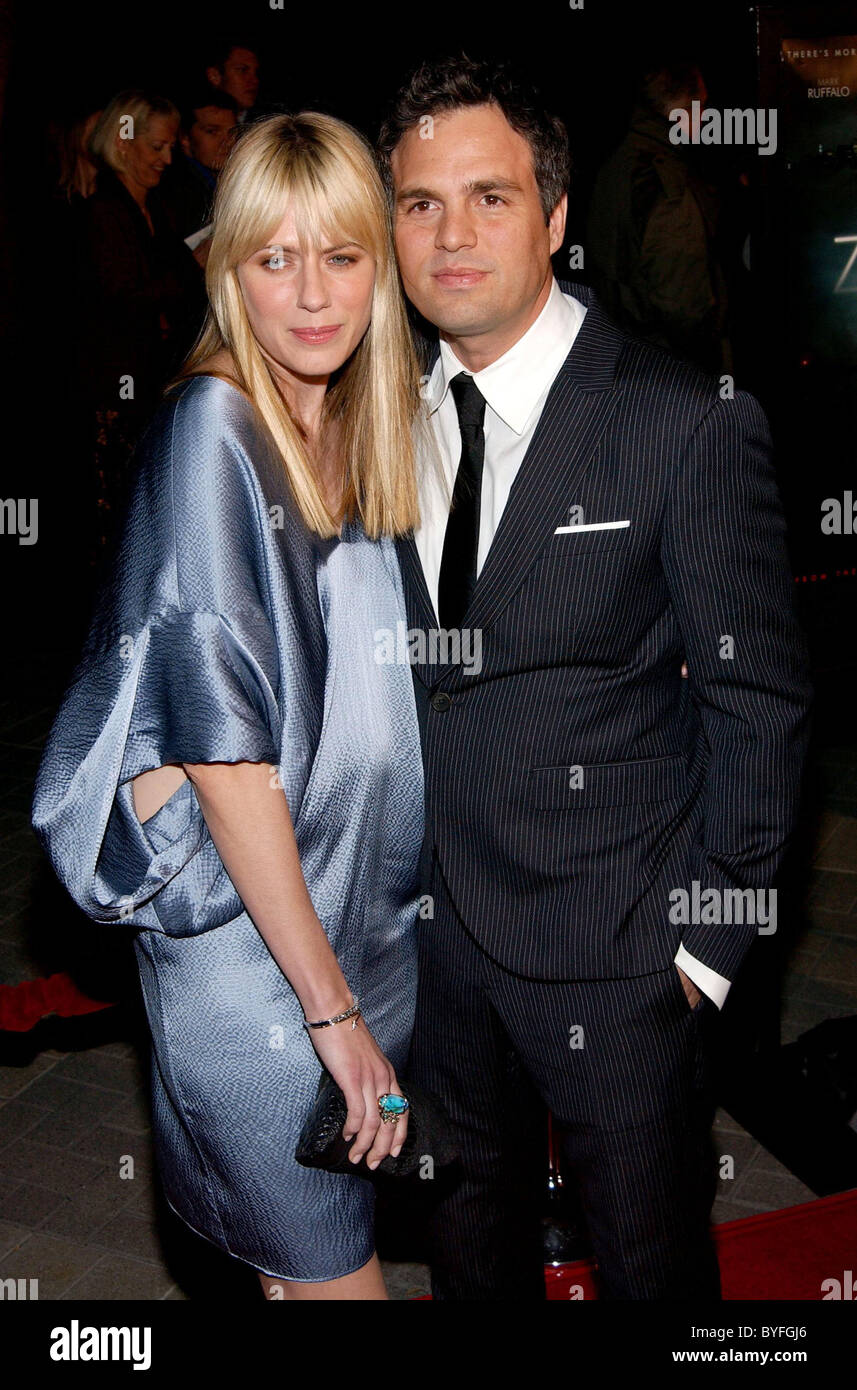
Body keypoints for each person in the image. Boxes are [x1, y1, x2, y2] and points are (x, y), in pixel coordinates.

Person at [377, 54, 813, 1300]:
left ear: (555, 218)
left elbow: (759, 700)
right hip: (437, 949)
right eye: (418, 203)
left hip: (623, 958)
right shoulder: (379, 414)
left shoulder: (680, 422)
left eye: (489, 197)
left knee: (647, 1272)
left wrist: (703, 953)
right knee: (469, 1261)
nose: (450, 234)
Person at [32, 112, 426, 1300]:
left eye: (342, 255)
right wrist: (329, 1012)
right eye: (274, 259)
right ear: (228, 269)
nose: (312, 294)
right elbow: (225, 759)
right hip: (259, 971)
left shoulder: (354, 421)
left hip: (354, 923)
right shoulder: (212, 434)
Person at [78, 91, 206, 564]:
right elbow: (121, 298)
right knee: (113, 514)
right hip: (113, 388)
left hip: (147, 382)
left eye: (171, 147)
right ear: (123, 142)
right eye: (156, 147)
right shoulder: (104, 211)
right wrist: (193, 267)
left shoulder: (155, 209)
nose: (167, 158)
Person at [586, 61, 732, 377]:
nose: (706, 118)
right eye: (702, 107)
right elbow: (682, 303)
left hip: (623, 358)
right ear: (683, 108)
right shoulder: (667, 182)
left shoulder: (616, 164)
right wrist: (708, 362)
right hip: (670, 369)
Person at [160, 87, 239, 244]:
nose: (227, 142)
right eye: (212, 132)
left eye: (232, 132)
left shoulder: (231, 179)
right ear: (185, 139)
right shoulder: (175, 191)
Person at [205, 40, 260, 122]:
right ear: (215, 76)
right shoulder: (193, 120)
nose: (255, 80)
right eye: (242, 70)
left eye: (256, 73)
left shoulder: (265, 121)